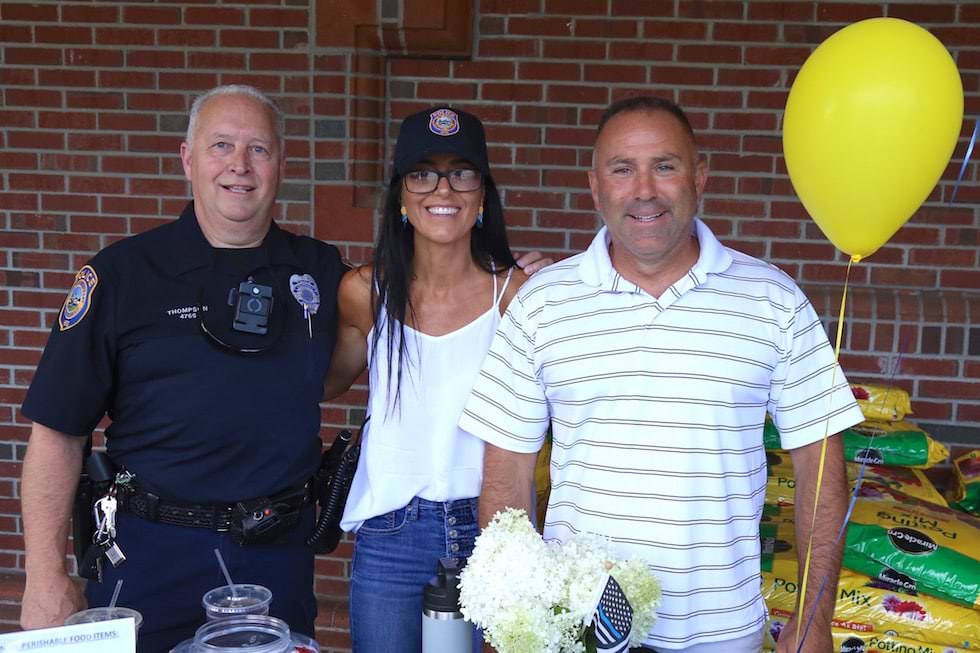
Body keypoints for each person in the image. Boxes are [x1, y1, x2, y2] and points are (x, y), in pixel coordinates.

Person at [459, 97, 865, 653]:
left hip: (721, 635)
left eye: (665, 166)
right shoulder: (542, 305)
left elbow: (821, 464)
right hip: (576, 635)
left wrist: (815, 617)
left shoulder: (773, 299)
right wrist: (512, 619)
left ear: (699, 177)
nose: (643, 190)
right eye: (622, 169)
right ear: (596, 186)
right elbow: (505, 473)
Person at [19, 85, 346, 652]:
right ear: (188, 160)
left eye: (259, 150)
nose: (239, 166)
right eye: (221, 145)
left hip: (276, 562)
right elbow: (56, 431)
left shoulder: (319, 272)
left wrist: (507, 275)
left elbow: (415, 307)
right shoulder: (122, 275)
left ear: (282, 166)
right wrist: (44, 575)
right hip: (147, 561)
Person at [322, 106, 548, 653]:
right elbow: (323, 384)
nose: (441, 188)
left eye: (461, 172)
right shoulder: (365, 291)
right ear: (400, 194)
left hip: (493, 527)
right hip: (391, 532)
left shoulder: (519, 295)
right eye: (422, 172)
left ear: (482, 194)